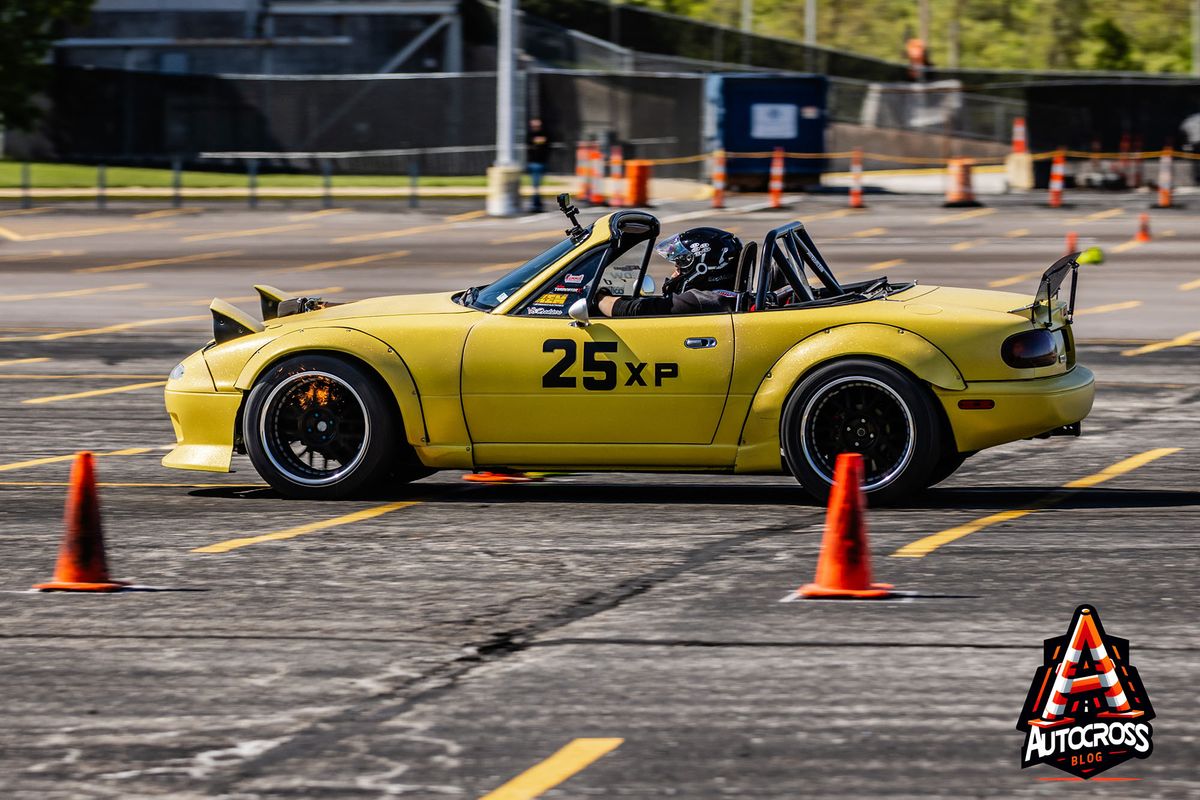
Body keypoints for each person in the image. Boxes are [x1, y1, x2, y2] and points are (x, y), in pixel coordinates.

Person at [598, 227, 742, 317]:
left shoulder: (700, 301)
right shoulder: (724, 298)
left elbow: (633, 311)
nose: (674, 275)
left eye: (679, 267)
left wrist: (598, 298)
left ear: (703, 268)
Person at [526, 118, 551, 212]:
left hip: (541, 162)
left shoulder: (544, 133)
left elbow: (547, 143)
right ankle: (536, 203)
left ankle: (537, 203)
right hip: (534, 163)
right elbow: (530, 143)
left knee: (537, 185)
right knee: (535, 185)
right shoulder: (530, 135)